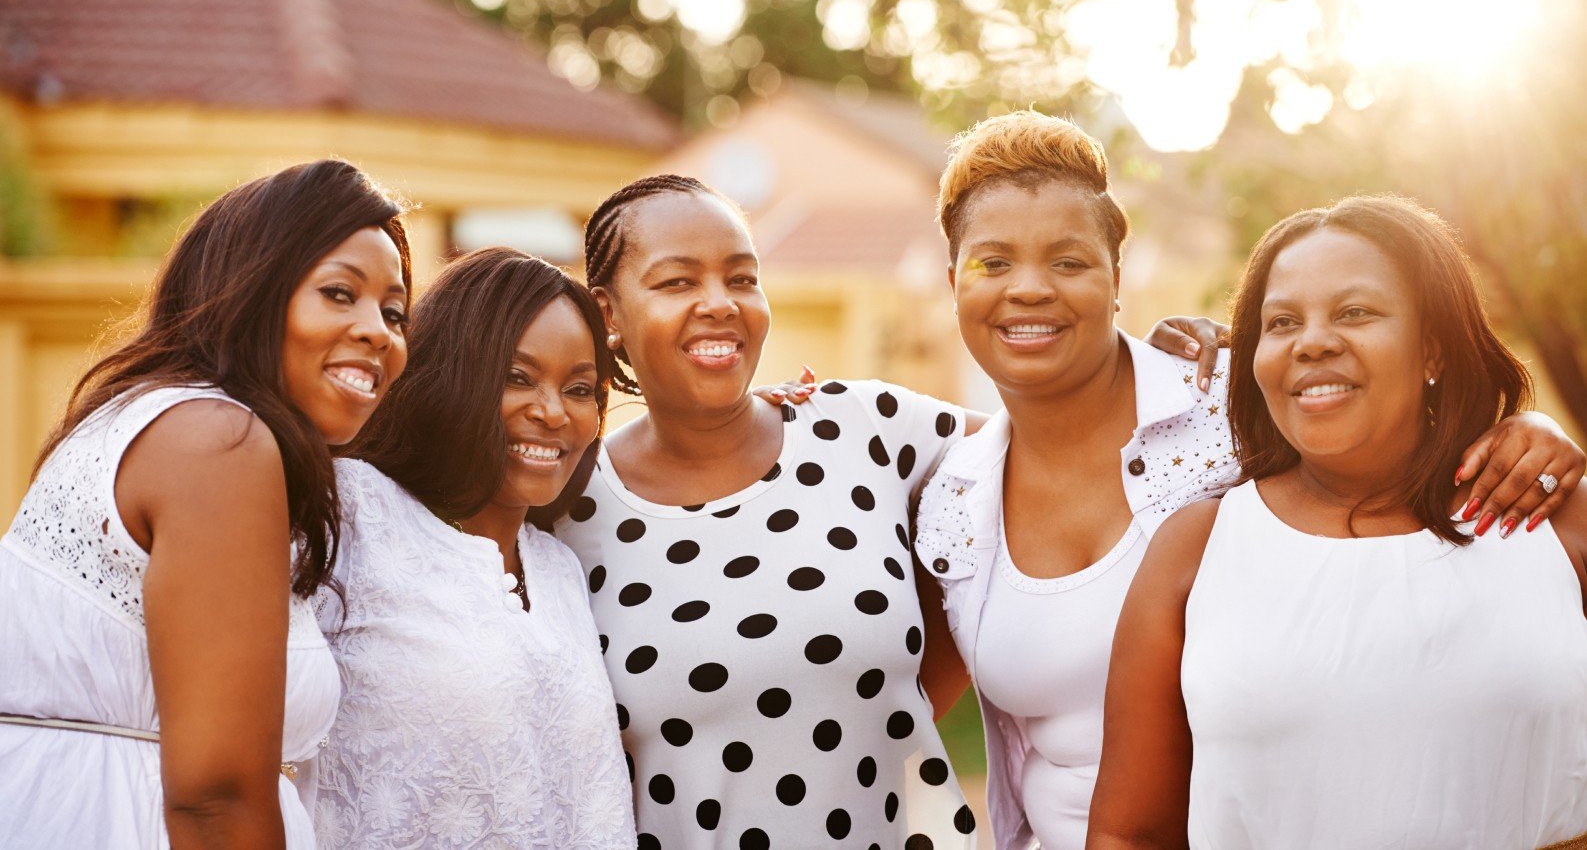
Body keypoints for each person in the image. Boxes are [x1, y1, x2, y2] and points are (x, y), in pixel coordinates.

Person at [913, 113, 1585, 850]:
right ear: (952, 284)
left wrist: (1528, 430)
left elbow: (1376, 429)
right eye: (992, 264)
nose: (1029, 289)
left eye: (1069, 262)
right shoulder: (954, 499)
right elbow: (890, 697)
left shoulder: (1227, 408)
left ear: (1117, 279)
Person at [558, 173, 1228, 849]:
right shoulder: (564, 510)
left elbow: (1063, 430)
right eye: (677, 282)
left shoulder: (864, 426)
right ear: (607, 313)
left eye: (741, 278)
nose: (719, 303)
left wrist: (1147, 365)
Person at [1088, 195, 1587, 850]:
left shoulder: (1557, 522)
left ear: (1433, 350)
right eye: (1282, 322)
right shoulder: (1195, 548)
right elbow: (1129, 835)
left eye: (1355, 312)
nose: (1313, 341)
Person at [0, 159, 411, 848]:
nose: (379, 332)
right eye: (339, 293)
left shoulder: (163, 422)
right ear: (250, 290)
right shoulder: (218, 442)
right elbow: (216, 797)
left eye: (394, 312)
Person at [313, 247, 635, 848]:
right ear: (450, 374)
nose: (553, 412)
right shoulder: (352, 513)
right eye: (517, 378)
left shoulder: (560, 568)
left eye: (580, 388)